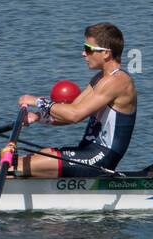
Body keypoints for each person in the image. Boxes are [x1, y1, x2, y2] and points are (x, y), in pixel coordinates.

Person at [16, 22, 136, 177]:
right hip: (88, 151)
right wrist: (37, 117)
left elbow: (75, 115)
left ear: (106, 53)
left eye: (88, 49)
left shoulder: (118, 81)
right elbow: (71, 110)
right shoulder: (99, 78)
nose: (83, 54)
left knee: (17, 165)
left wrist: (38, 101)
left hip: (101, 158)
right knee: (33, 157)